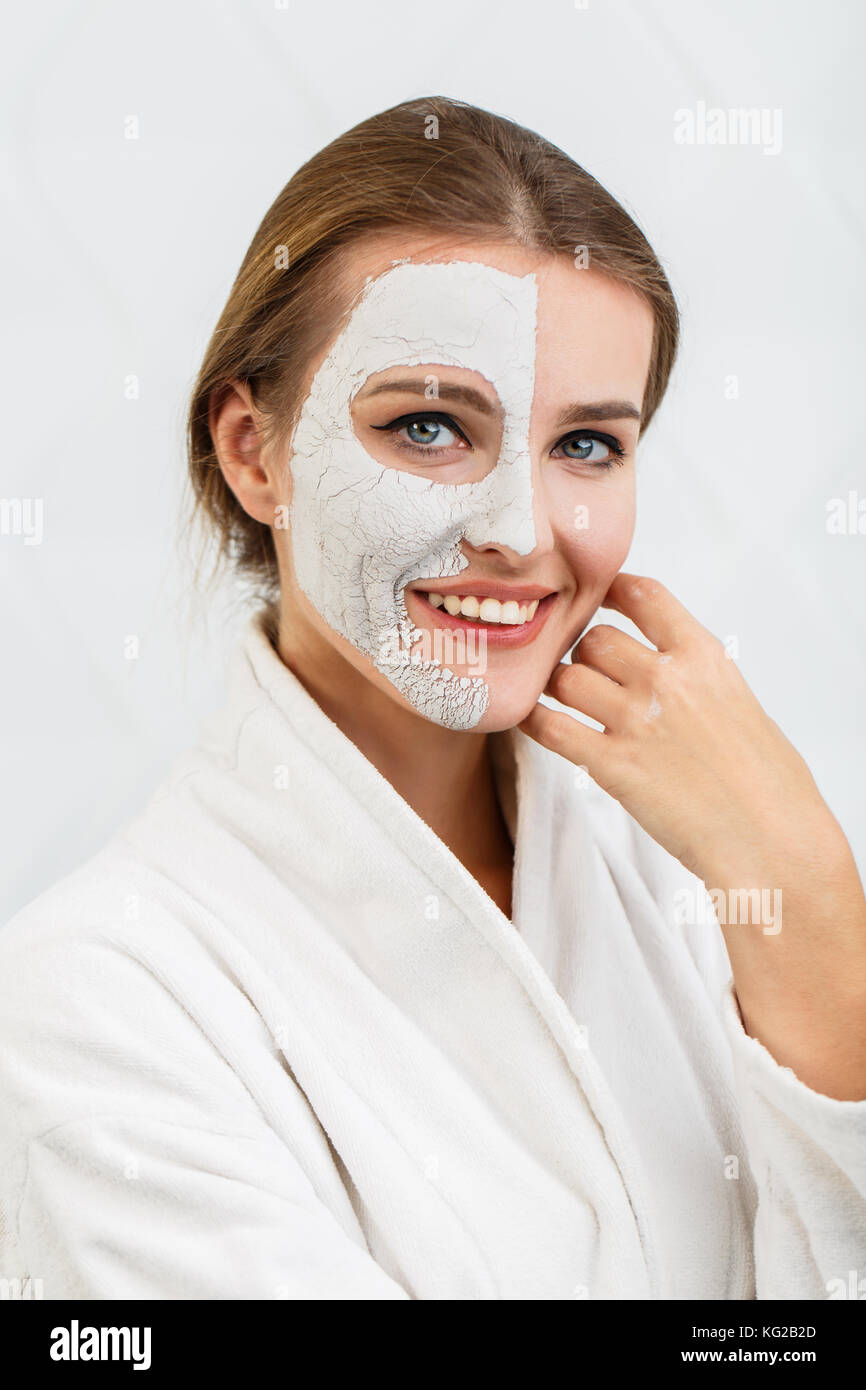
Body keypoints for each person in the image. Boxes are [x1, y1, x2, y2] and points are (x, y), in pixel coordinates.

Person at [1, 95, 864, 1301]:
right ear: (257, 453)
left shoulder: (703, 875)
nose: (519, 532)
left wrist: (809, 892)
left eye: (585, 446)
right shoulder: (95, 1001)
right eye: (427, 426)